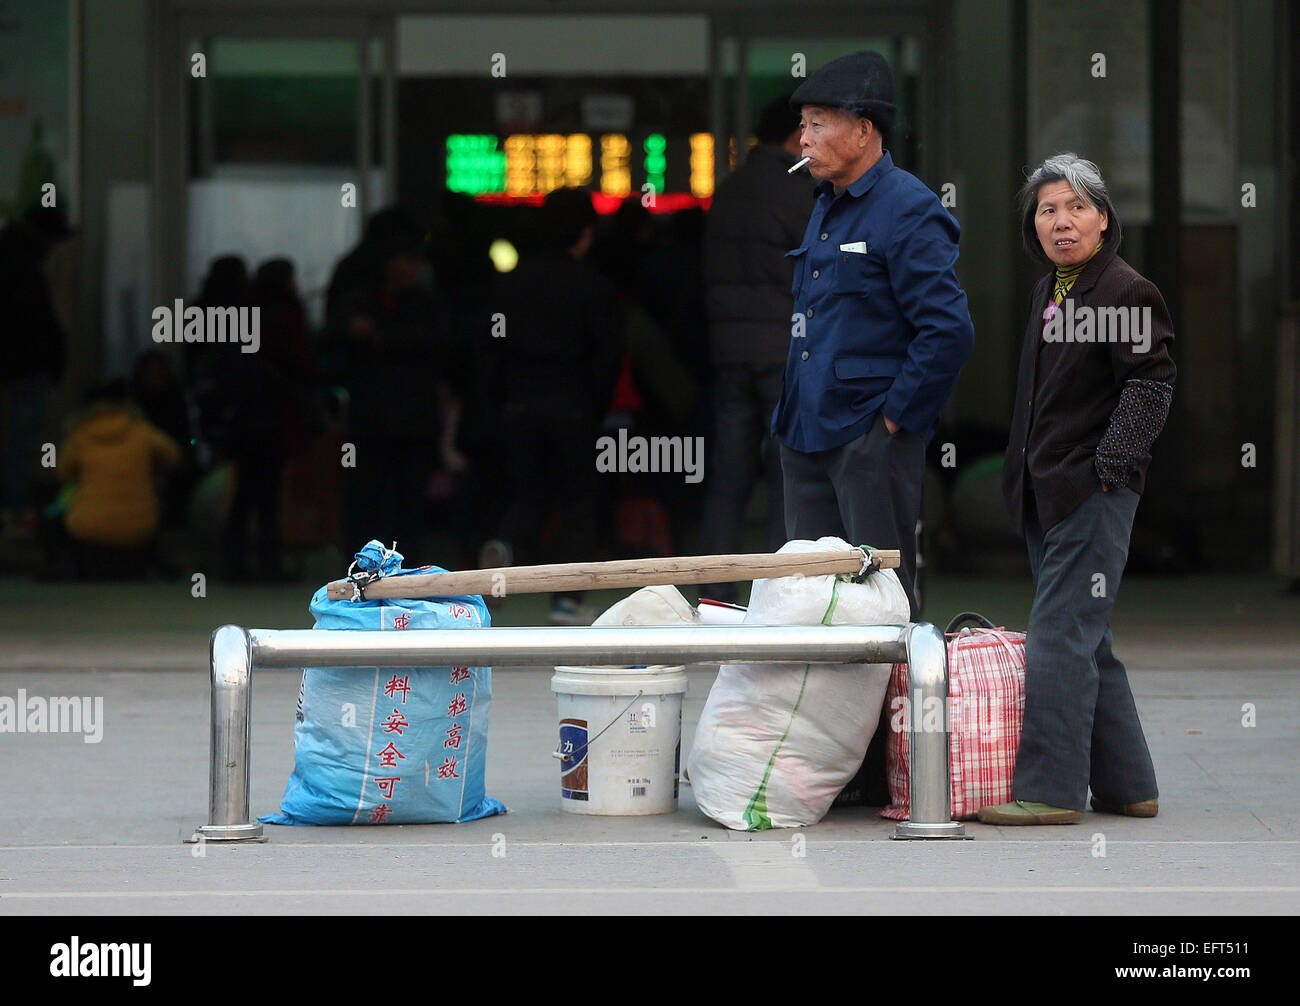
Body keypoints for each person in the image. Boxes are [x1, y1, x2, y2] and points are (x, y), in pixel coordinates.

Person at [979, 154, 1175, 825]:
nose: (1061, 222)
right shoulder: (1051, 292)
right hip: (1047, 489)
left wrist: (1107, 469)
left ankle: (1050, 790)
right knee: (1089, 637)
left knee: (1059, 636)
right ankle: (1129, 786)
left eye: (1076, 208)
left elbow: (1150, 387)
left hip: (1090, 490)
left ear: (1103, 218)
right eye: (1047, 210)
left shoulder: (1126, 290)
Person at [774, 50, 975, 621]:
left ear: (863, 131)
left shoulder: (908, 208)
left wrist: (890, 423)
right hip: (804, 429)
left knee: (880, 597)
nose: (804, 139)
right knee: (809, 598)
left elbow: (948, 330)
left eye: (818, 123)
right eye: (802, 124)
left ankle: (898, 713)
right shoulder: (824, 205)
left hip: (867, 435)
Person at [480, 187, 624, 625]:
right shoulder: (593, 285)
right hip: (573, 405)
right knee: (578, 503)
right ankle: (567, 599)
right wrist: (594, 406)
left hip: (520, 406)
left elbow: (489, 349)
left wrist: (498, 403)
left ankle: (504, 547)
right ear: (584, 233)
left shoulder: (510, 283)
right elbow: (607, 356)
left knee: (528, 494)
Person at [699, 96, 816, 599]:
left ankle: (714, 591)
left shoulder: (728, 190)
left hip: (730, 353)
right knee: (787, 473)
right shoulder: (798, 192)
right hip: (782, 352)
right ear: (794, 139)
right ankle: (776, 591)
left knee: (729, 473)